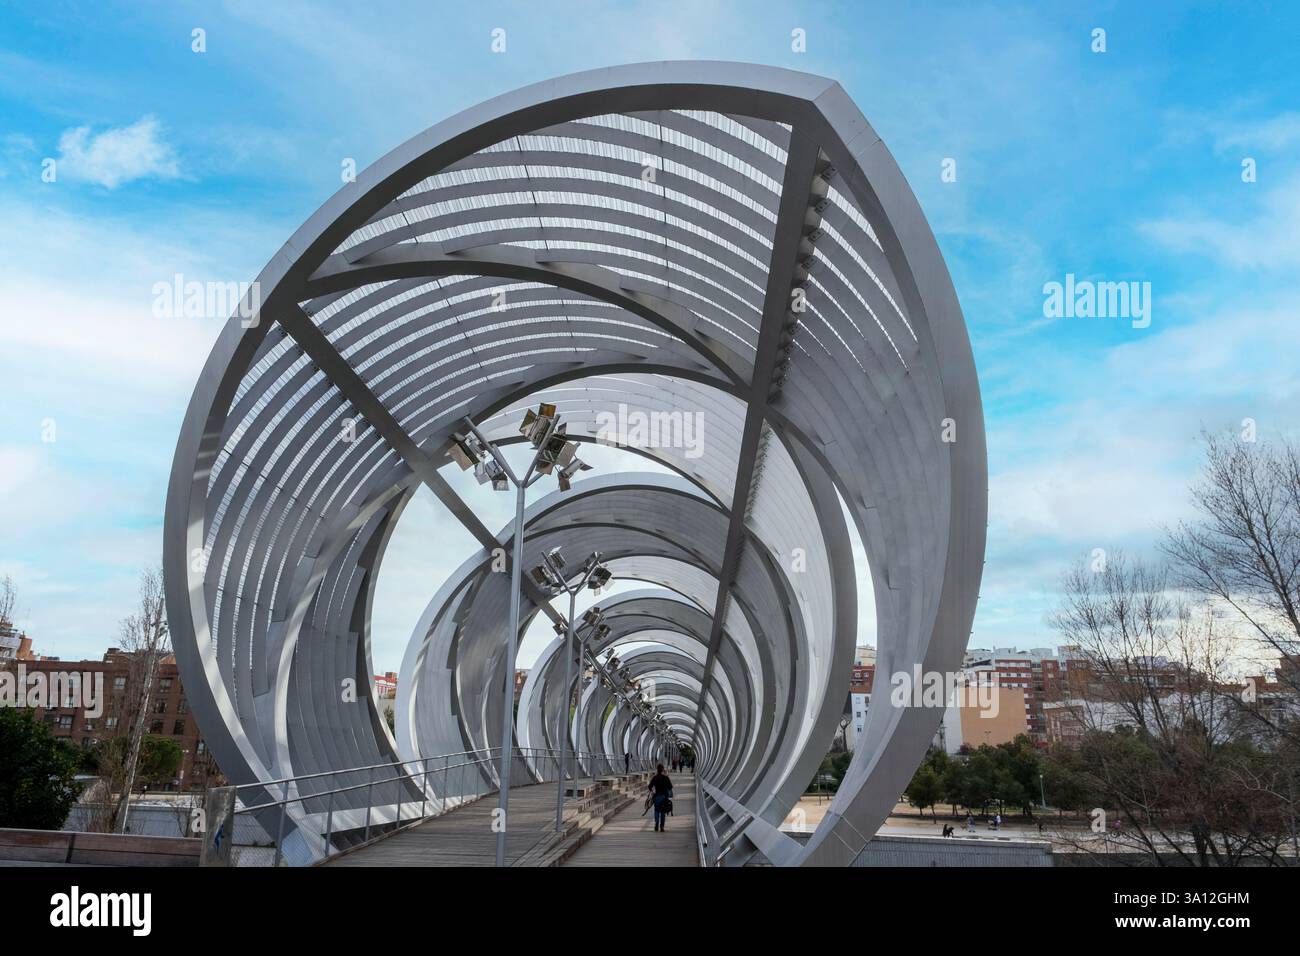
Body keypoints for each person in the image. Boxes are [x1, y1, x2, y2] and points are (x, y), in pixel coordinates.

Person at [648, 763, 673, 832]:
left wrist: (652, 792)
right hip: (664, 797)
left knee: (656, 810)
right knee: (663, 812)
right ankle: (662, 826)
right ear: (663, 769)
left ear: (657, 769)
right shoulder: (666, 778)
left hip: (656, 796)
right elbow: (670, 787)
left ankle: (656, 823)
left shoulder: (655, 777)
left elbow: (649, 786)